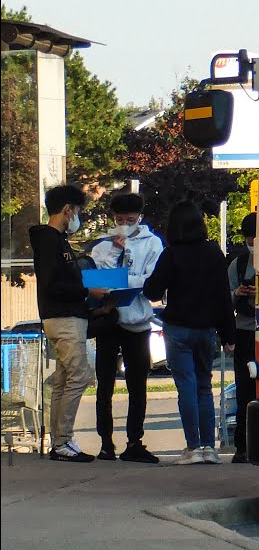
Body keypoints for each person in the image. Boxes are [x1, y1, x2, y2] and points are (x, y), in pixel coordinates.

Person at [143, 200, 235, 465]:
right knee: (205, 387)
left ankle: (192, 447)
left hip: (178, 328)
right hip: (207, 330)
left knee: (187, 387)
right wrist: (229, 335)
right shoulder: (214, 253)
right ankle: (209, 447)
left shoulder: (171, 254)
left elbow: (152, 291)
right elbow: (222, 298)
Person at [29, 184, 112, 463]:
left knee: (65, 379)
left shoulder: (54, 241)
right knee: (80, 375)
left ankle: (60, 440)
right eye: (76, 211)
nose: (77, 217)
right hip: (63, 318)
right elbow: (56, 284)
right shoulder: (51, 242)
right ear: (68, 210)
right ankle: (63, 441)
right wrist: (87, 292)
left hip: (66, 316)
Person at [89, 192, 163, 463]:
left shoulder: (152, 243)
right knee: (105, 384)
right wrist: (116, 252)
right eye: (119, 219)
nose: (124, 224)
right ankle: (105, 442)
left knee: (137, 384)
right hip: (108, 320)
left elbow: (150, 279)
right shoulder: (102, 245)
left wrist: (122, 280)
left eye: (130, 219)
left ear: (139, 218)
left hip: (138, 321)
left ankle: (135, 440)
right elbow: (98, 277)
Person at [226, 212, 258, 463]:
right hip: (245, 330)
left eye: (255, 237)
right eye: (248, 238)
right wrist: (238, 292)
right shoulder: (237, 264)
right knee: (244, 391)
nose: (252, 242)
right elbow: (225, 299)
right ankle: (242, 446)